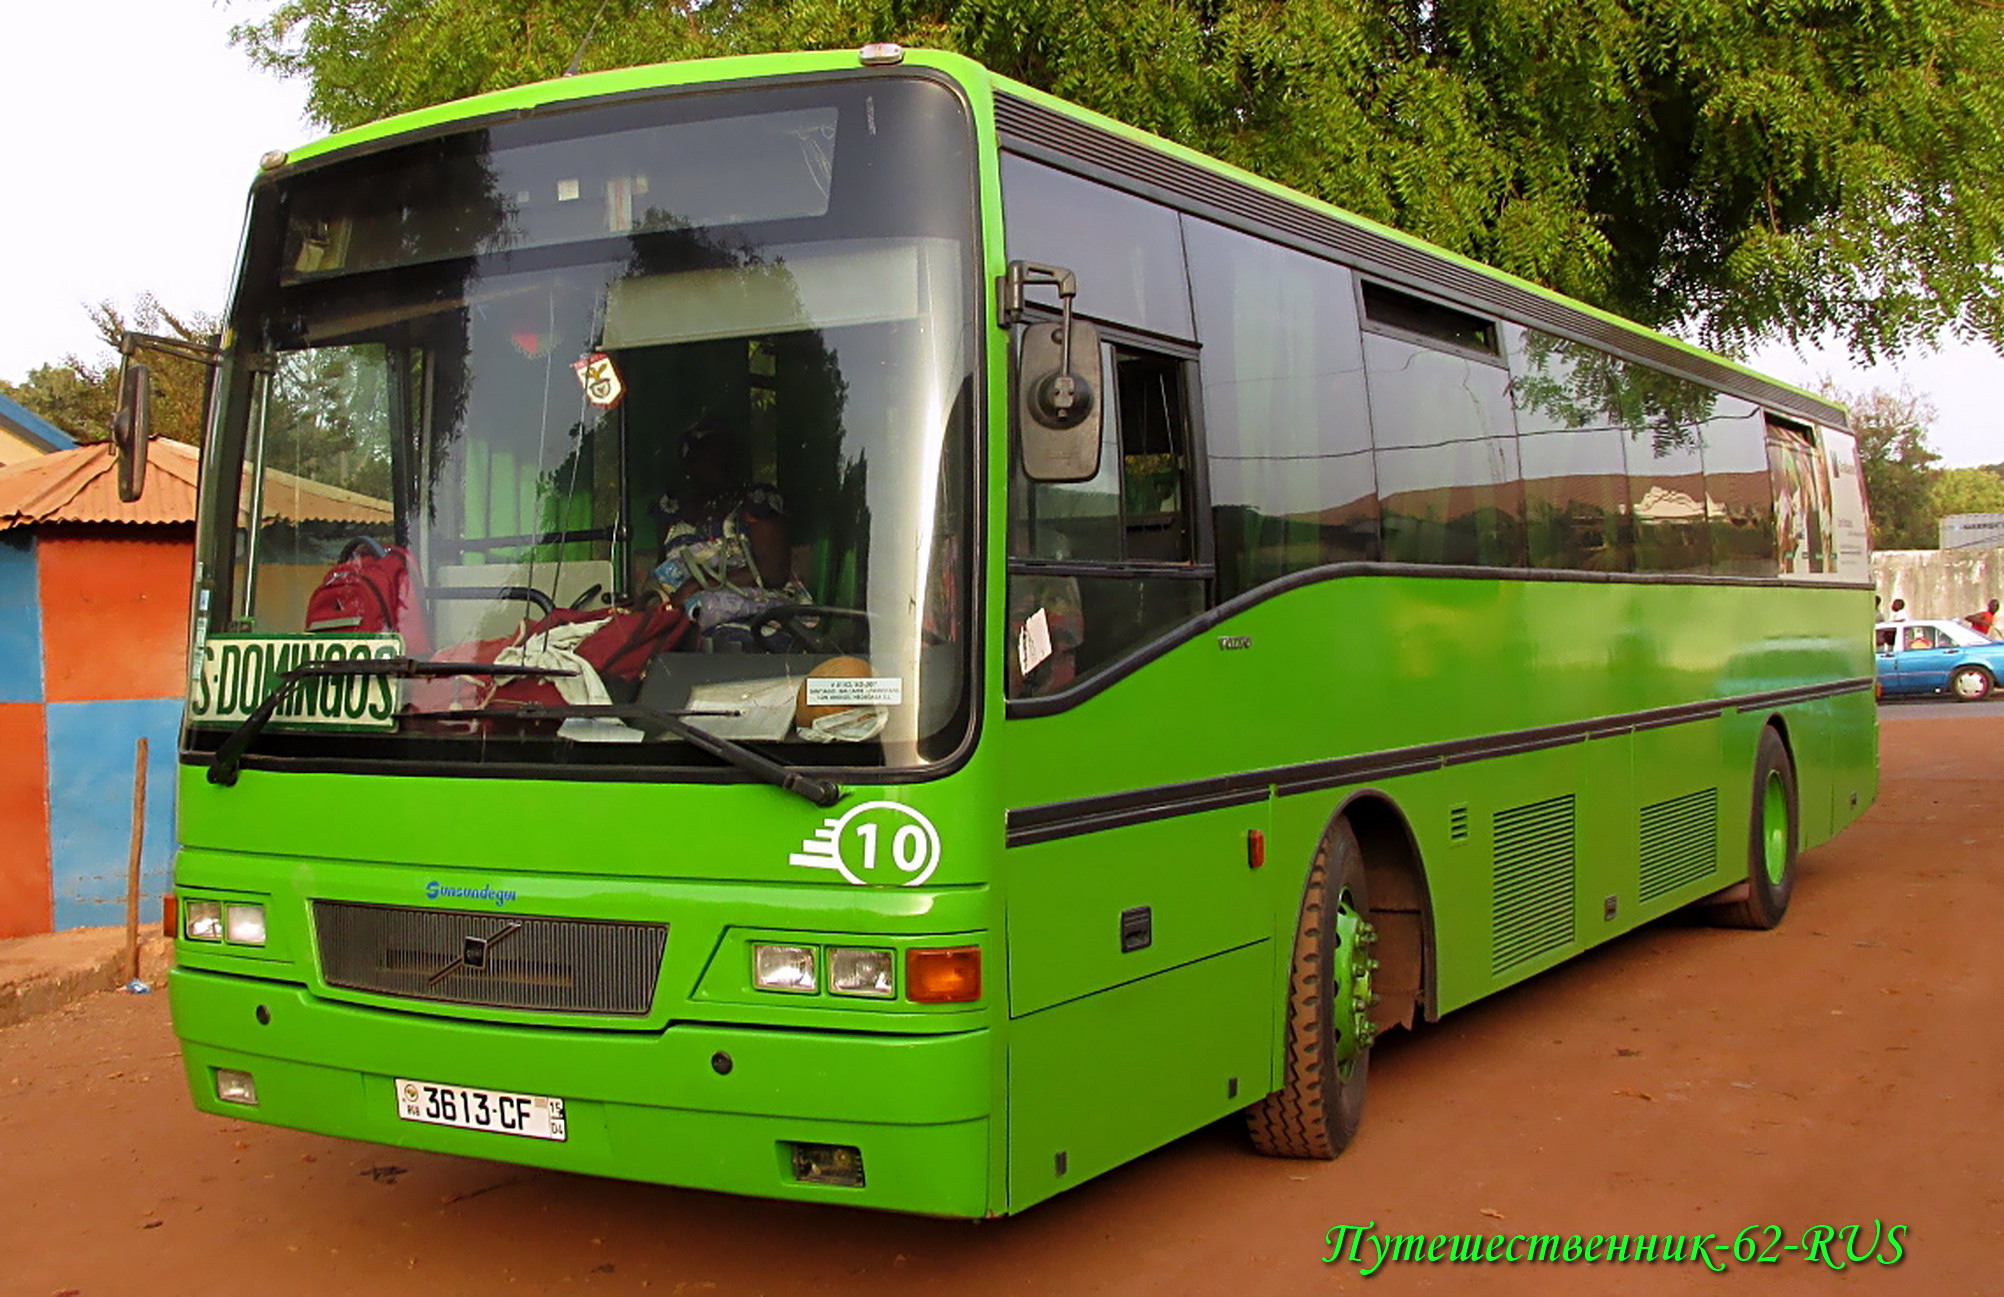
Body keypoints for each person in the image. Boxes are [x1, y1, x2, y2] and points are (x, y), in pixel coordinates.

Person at [647, 420, 810, 649]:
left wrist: (697, 586)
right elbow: (662, 573)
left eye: (721, 453)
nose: (715, 462)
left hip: (756, 624)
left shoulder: (758, 503)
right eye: (704, 455)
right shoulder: (672, 510)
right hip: (683, 625)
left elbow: (772, 572)